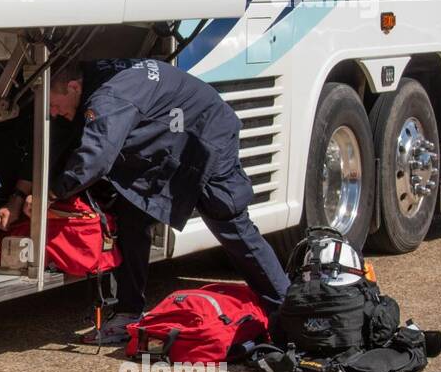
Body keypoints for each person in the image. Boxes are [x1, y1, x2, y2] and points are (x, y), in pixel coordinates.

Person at [45, 59, 289, 344]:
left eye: (54, 103)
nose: (53, 112)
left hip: (208, 134)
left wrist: (53, 194)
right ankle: (128, 312)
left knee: (230, 223)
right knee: (132, 215)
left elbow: (97, 157)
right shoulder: (97, 75)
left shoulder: (109, 97)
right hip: (178, 133)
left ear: (74, 87)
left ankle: (287, 312)